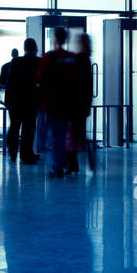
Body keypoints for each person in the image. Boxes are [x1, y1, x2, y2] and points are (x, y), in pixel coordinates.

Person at [36, 27, 78, 178]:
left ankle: (56, 166)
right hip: (66, 103)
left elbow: (39, 79)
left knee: (50, 136)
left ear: (54, 39)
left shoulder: (48, 57)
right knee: (61, 135)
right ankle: (60, 164)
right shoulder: (72, 57)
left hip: (50, 103)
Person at [6, 39, 41, 164]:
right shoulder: (38, 62)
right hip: (31, 102)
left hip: (15, 101)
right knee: (29, 128)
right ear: (35, 48)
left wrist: (7, 101)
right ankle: (26, 154)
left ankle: (12, 153)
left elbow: (9, 82)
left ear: (24, 48)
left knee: (14, 127)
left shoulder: (16, 61)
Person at [65, 32, 94, 176]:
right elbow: (88, 86)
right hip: (83, 105)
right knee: (77, 134)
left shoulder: (78, 59)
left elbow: (72, 82)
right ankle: (75, 162)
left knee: (71, 134)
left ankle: (72, 163)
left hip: (74, 104)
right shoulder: (87, 59)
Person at [0, 47, 19, 161]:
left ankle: (11, 149)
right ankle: (12, 147)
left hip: (10, 99)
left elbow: (1, 84)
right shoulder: (21, 67)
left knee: (14, 124)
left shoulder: (6, 66)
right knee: (16, 125)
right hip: (20, 100)